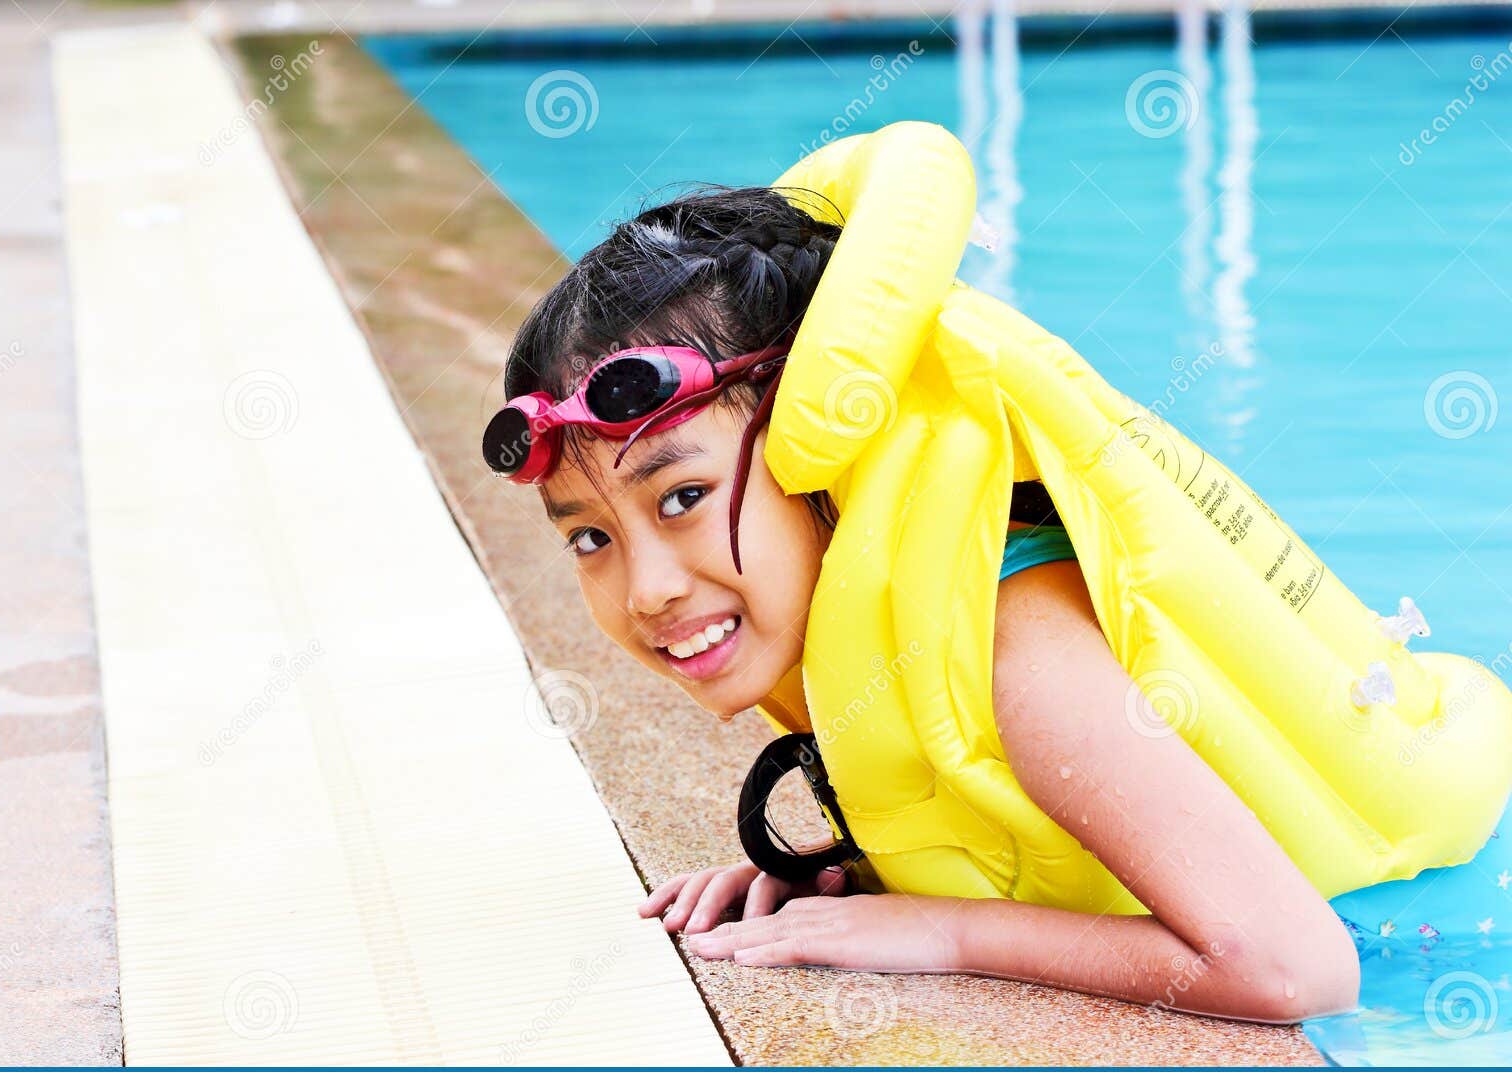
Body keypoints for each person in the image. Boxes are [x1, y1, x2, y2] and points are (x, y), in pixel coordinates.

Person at [480, 181, 1373, 1025]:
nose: (650, 588)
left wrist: (944, 929)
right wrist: (848, 885)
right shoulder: (864, 620)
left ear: (820, 445)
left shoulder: (1014, 656)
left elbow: (1299, 968)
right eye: (590, 537)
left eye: (683, 498)